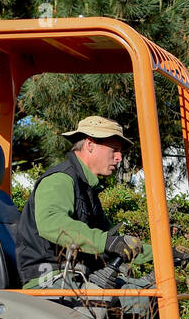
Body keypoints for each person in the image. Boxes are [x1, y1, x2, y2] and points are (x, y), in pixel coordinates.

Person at [14, 115, 147, 289]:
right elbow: (51, 223)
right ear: (90, 145)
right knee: (124, 302)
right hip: (48, 279)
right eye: (114, 150)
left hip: (77, 275)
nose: (119, 158)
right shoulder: (60, 179)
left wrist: (163, 255)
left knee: (146, 298)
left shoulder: (87, 189)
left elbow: (112, 239)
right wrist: (105, 243)